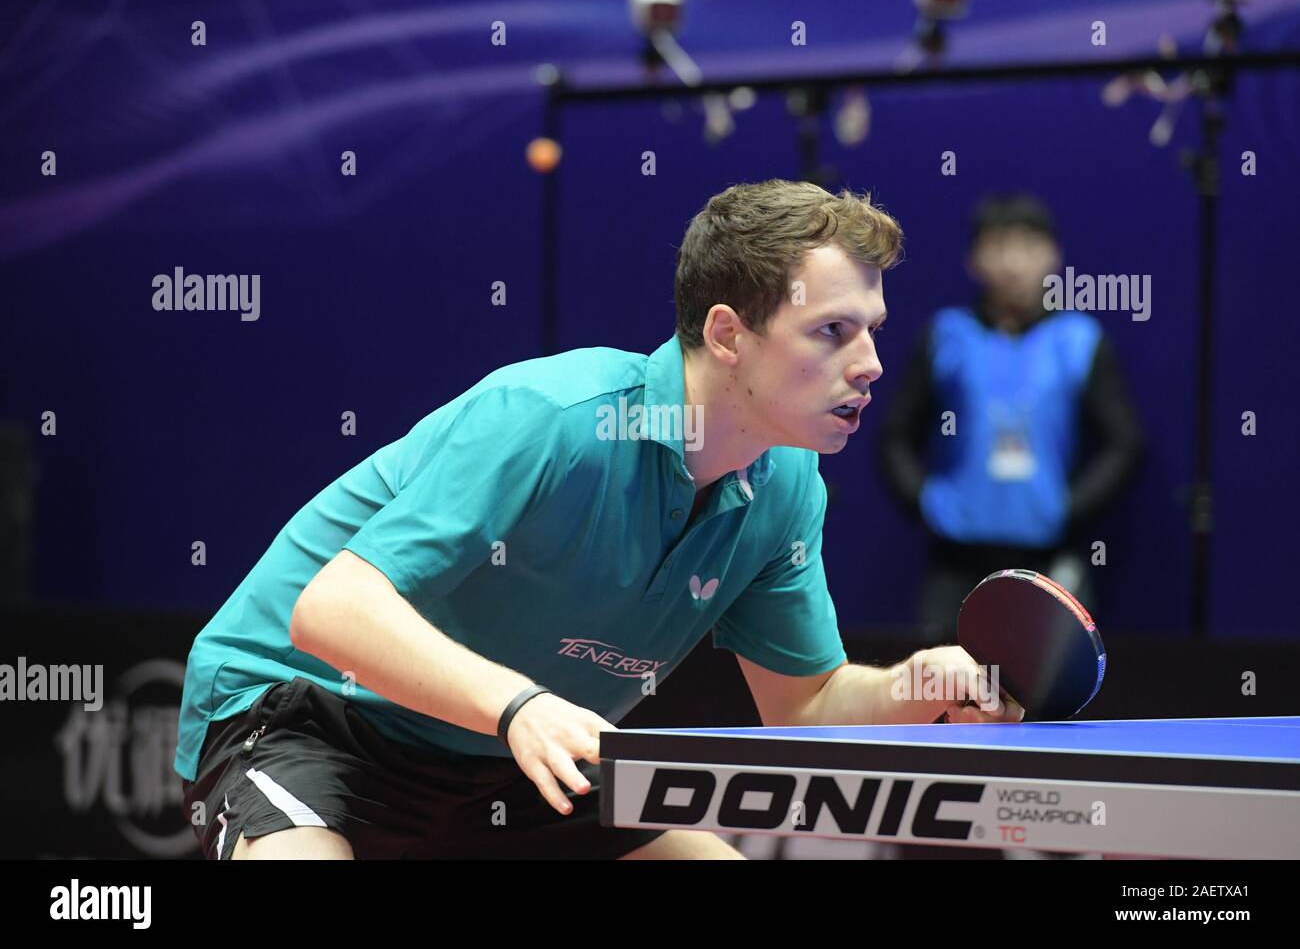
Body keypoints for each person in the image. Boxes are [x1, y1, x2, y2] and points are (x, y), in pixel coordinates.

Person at [175, 179, 1022, 862]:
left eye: (872, 330)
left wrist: (914, 685)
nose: (870, 364)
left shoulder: (787, 483)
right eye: (831, 331)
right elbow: (331, 611)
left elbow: (804, 705)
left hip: (511, 754)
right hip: (308, 713)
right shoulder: (553, 419)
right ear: (728, 334)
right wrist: (517, 706)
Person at [879, 193, 1144, 643]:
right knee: (943, 686)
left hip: (1051, 559)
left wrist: (1068, 509)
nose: (1012, 262)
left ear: (1053, 256)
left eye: (1027, 245)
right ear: (973, 259)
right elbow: (894, 436)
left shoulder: (1079, 339)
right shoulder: (947, 335)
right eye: (998, 245)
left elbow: (1126, 442)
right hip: (955, 561)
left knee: (1053, 692)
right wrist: (926, 502)